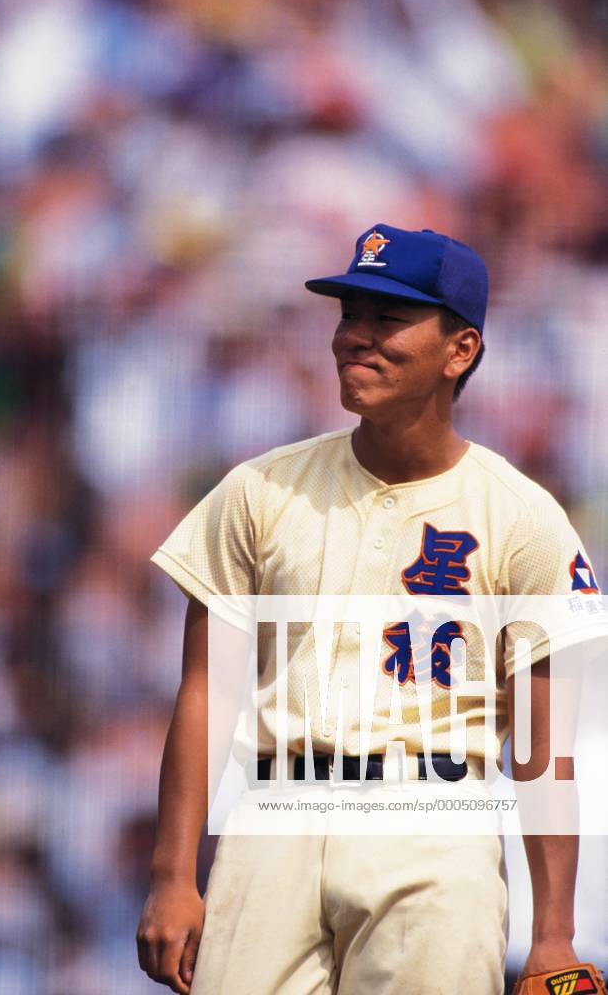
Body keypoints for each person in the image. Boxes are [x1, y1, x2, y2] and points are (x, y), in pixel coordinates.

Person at [136, 223, 605, 994]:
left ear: (460, 351)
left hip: (432, 829)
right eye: (348, 315)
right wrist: (170, 874)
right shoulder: (259, 490)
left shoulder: (521, 516)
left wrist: (552, 934)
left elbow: (540, 746)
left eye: (387, 320)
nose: (355, 338)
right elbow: (206, 691)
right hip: (271, 818)